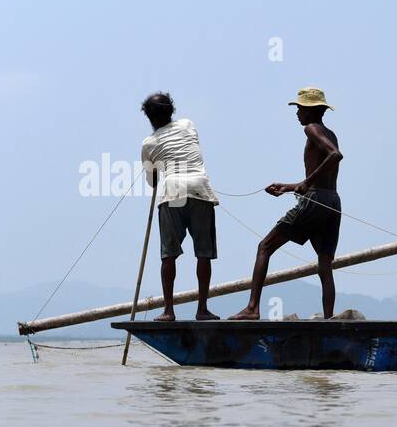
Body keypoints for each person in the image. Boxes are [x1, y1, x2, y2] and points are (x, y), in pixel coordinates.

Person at [230, 87, 344, 320]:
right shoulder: (330, 132)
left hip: (315, 201)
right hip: (331, 200)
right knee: (324, 262)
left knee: (265, 247)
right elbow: (321, 177)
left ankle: (252, 308)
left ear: (311, 110)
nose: (297, 113)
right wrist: (288, 187)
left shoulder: (311, 129)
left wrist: (305, 182)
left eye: (300, 108)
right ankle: (328, 318)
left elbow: (335, 155)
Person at [139, 92, 221, 321]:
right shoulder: (187, 125)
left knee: (168, 255)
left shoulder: (149, 143)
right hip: (199, 189)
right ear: (171, 111)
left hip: (172, 192)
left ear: (149, 117)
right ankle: (202, 309)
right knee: (203, 253)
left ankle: (168, 311)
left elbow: (153, 180)